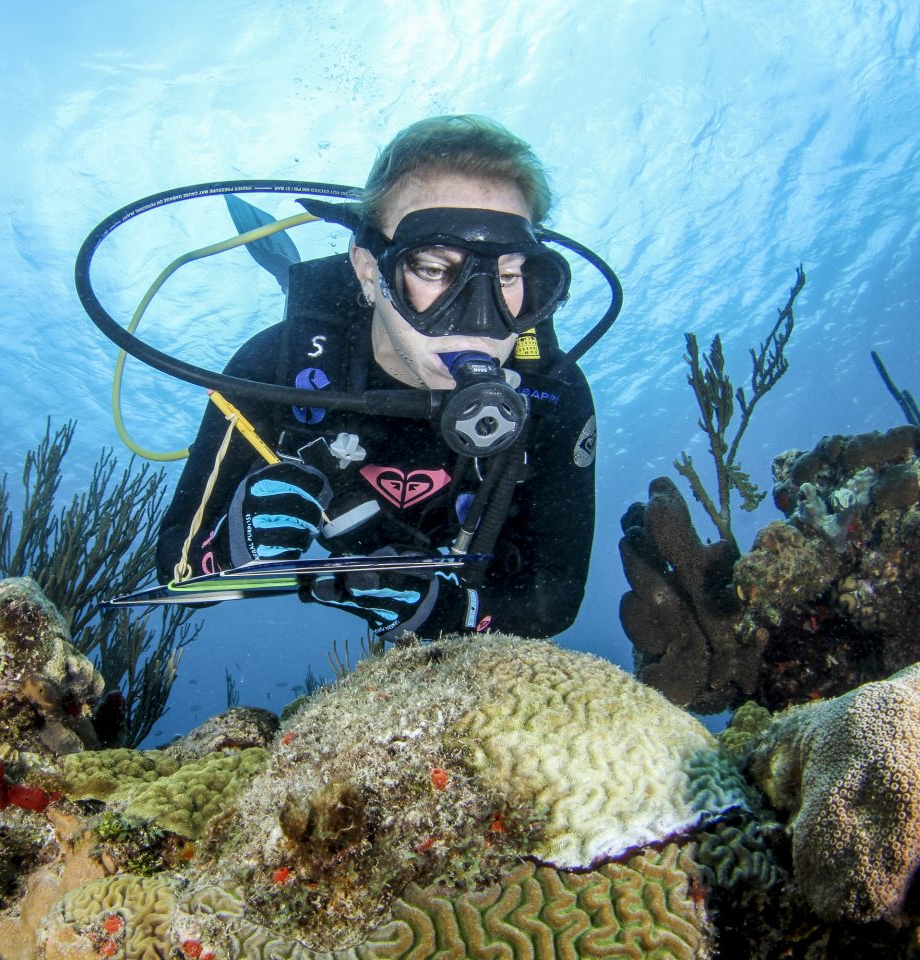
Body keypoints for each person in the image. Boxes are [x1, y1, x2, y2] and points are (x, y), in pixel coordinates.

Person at [157, 115, 597, 641]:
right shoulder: (272, 369)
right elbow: (180, 574)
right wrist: (240, 541)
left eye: (507, 276)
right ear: (370, 270)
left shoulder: (551, 390)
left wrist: (446, 610)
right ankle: (293, 269)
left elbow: (554, 601)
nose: (480, 323)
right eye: (434, 269)